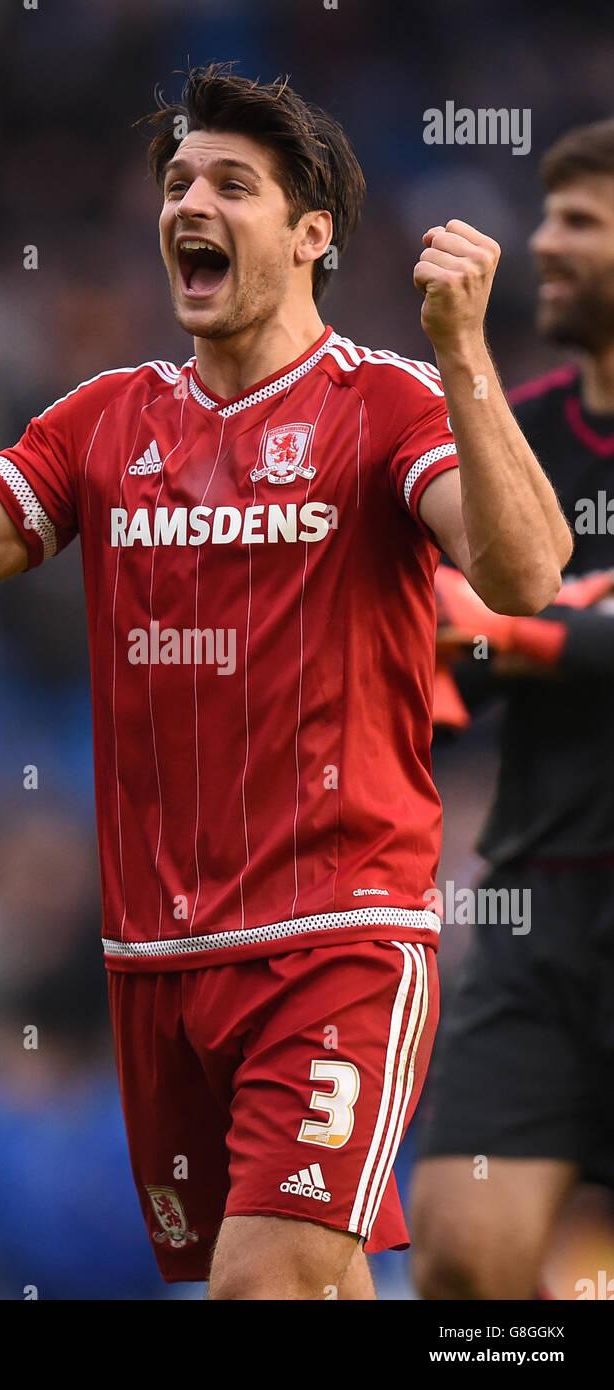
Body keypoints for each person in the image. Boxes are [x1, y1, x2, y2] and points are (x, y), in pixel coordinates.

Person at [0, 64, 570, 1301]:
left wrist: (464, 352)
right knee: (290, 1287)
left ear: (312, 236)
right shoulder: (99, 425)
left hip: (339, 939)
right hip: (157, 962)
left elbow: (524, 571)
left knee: (267, 1285)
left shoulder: (383, 403)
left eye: (230, 184)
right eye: (176, 182)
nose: (186, 203)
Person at [411, 117, 614, 1301]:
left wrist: (521, 628)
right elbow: (441, 655)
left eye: (580, 221)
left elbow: (489, 625)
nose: (542, 243)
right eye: (543, 217)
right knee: (463, 1261)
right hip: (537, 905)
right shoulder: (510, 436)